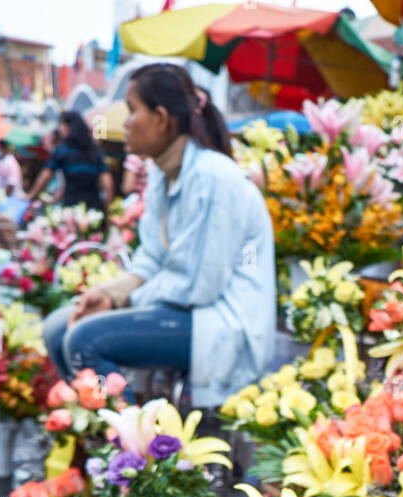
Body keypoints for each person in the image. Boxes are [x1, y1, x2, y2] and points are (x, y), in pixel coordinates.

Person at [42, 64, 275, 409]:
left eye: (133, 110)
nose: (125, 122)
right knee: (57, 328)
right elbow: (151, 257)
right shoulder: (163, 175)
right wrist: (108, 293)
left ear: (161, 118)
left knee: (86, 339)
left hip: (223, 322)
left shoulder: (211, 178)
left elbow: (197, 286)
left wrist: (122, 302)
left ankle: (134, 450)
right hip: (185, 311)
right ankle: (94, 431)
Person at [26, 111, 112, 212]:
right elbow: (108, 185)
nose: (60, 129)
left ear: (69, 127)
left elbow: (46, 175)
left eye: (61, 125)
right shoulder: (95, 152)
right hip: (93, 210)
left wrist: (31, 195)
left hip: (70, 210)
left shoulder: (62, 151)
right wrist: (108, 212)